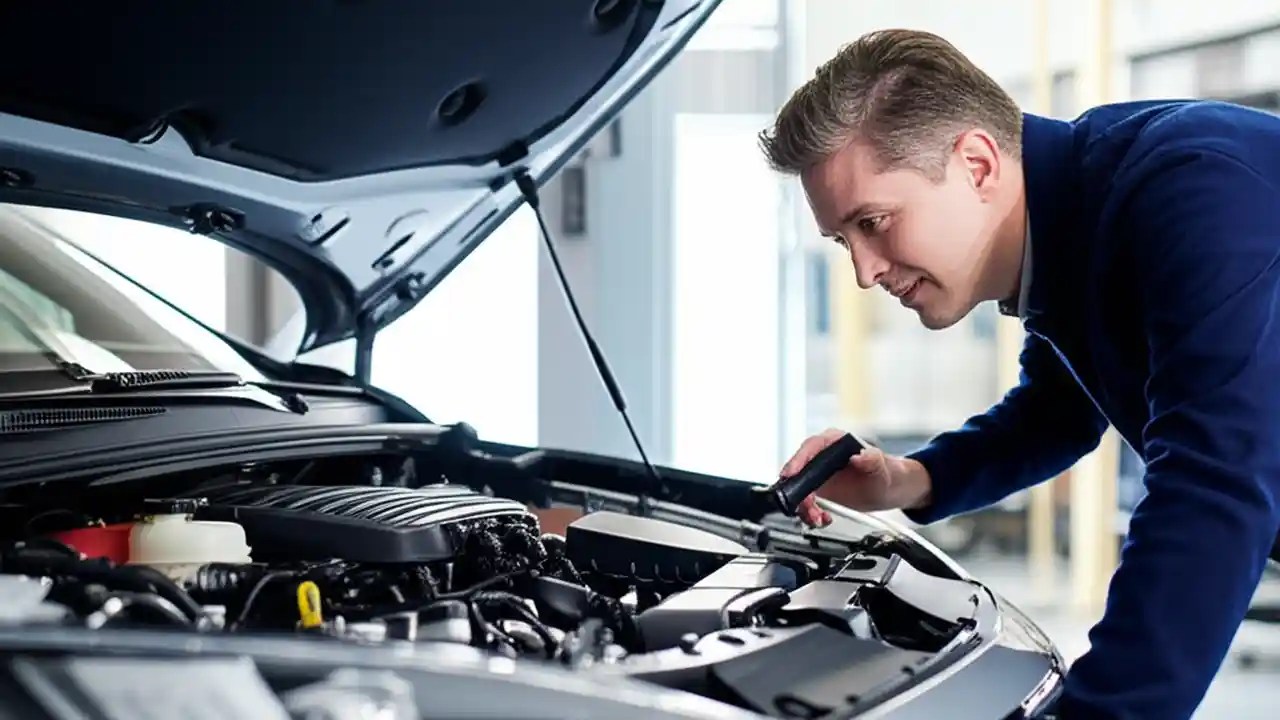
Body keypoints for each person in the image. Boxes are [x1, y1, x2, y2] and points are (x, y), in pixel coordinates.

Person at [758, 28, 1280, 720]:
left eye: (875, 222)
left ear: (976, 164)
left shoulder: (1189, 190)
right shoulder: (1076, 223)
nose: (863, 271)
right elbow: (1057, 411)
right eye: (842, 240)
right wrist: (906, 479)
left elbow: (1213, 481)